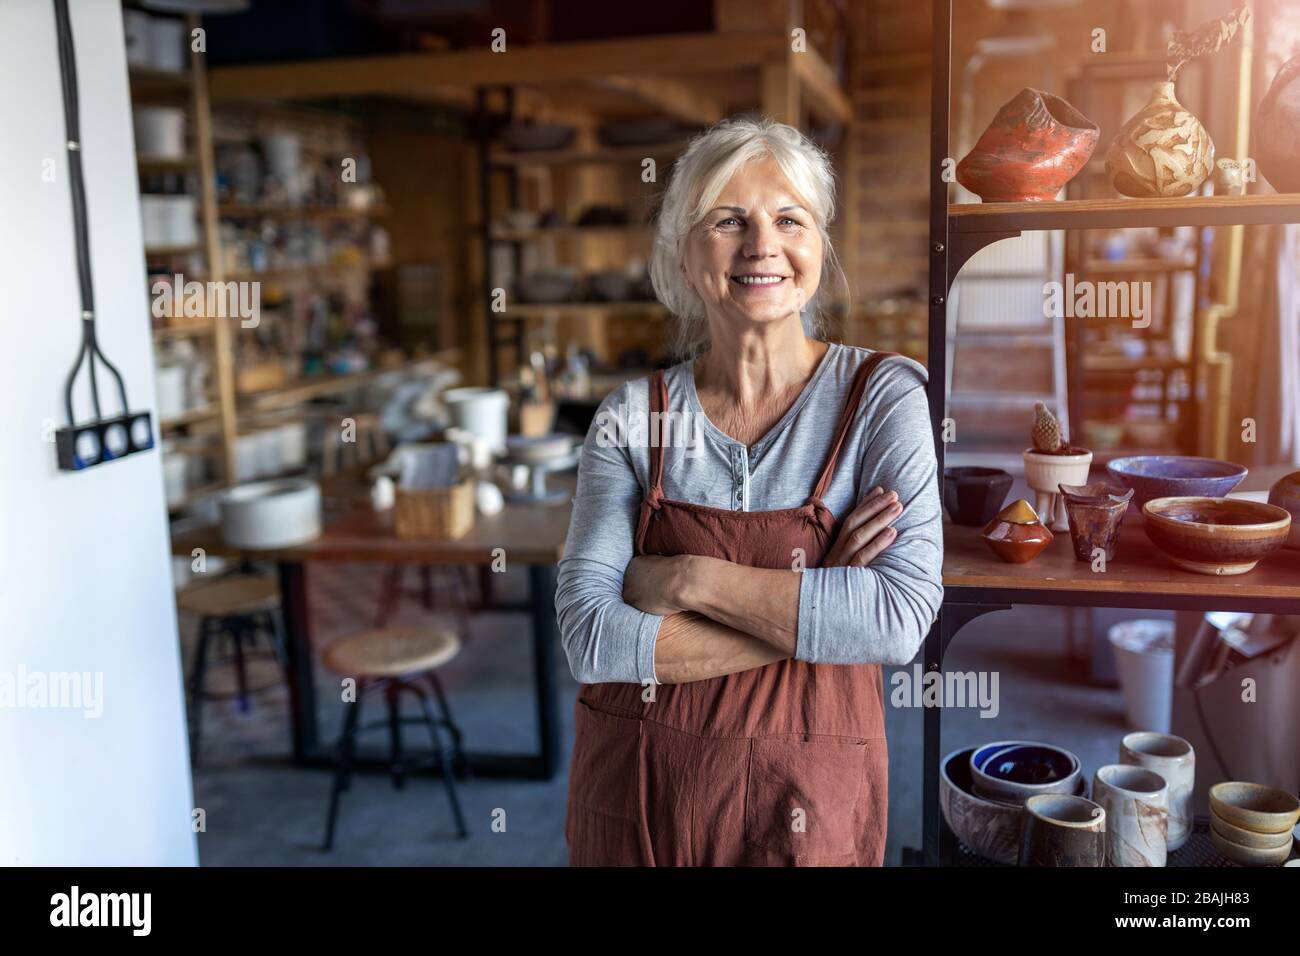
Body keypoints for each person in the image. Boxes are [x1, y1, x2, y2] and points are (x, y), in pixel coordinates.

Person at [555, 114, 943, 866]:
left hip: (803, 798)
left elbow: (897, 621)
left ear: (819, 245)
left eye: (789, 219)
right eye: (729, 220)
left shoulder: (882, 398)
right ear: (684, 250)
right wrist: (824, 604)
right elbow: (591, 638)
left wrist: (685, 578)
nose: (762, 245)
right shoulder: (631, 417)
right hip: (639, 797)